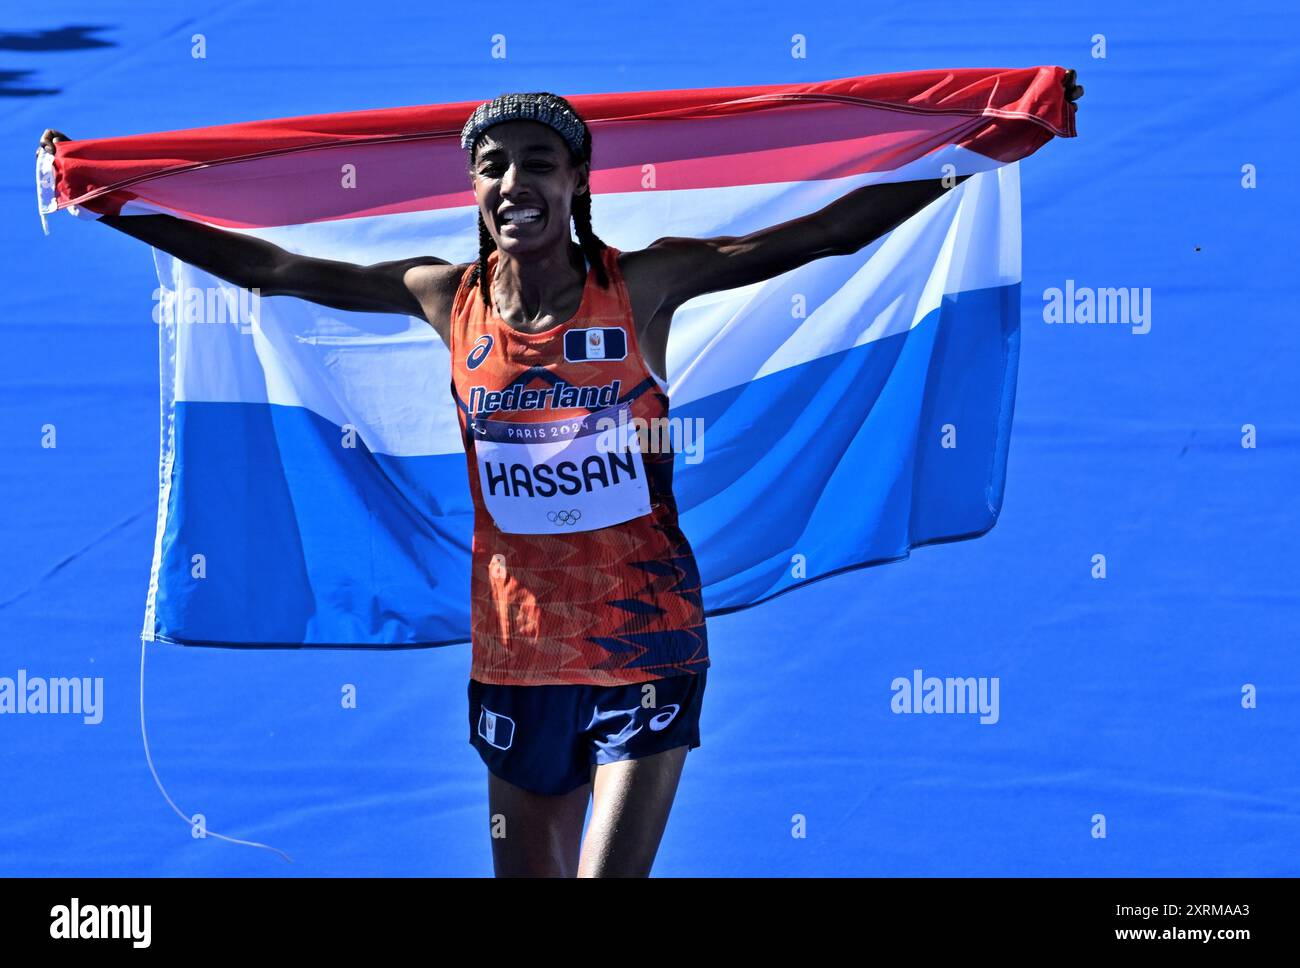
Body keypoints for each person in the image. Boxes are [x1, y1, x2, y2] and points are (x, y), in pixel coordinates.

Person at [37, 72, 1083, 877]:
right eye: (492, 166)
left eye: (537, 162)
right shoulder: (443, 294)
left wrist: (983, 151)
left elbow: (818, 232)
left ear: (577, 180)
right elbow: (274, 267)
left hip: (645, 637)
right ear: (475, 188)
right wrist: (119, 206)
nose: (512, 184)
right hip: (517, 648)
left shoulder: (648, 281)